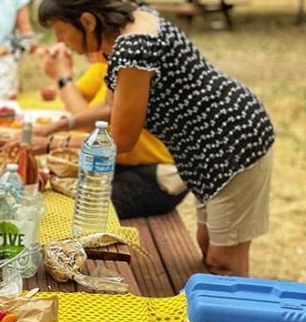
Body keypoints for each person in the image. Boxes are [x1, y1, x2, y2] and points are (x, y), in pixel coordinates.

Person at [36, 0, 274, 276]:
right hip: (204, 148)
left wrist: (51, 143)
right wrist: (61, 125)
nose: (59, 41)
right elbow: (111, 106)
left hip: (232, 142)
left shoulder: (133, 49)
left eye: (60, 31)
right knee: (208, 245)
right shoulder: (132, 25)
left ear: (87, 21)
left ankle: (239, 306)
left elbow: (120, 140)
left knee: (224, 261)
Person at [23, 44, 188, 219]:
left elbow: (98, 128)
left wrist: (62, 75)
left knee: (62, 209)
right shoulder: (105, 62)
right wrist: (51, 128)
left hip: (156, 175)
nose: (63, 43)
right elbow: (89, 108)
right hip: (119, 164)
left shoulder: (130, 64)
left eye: (62, 32)